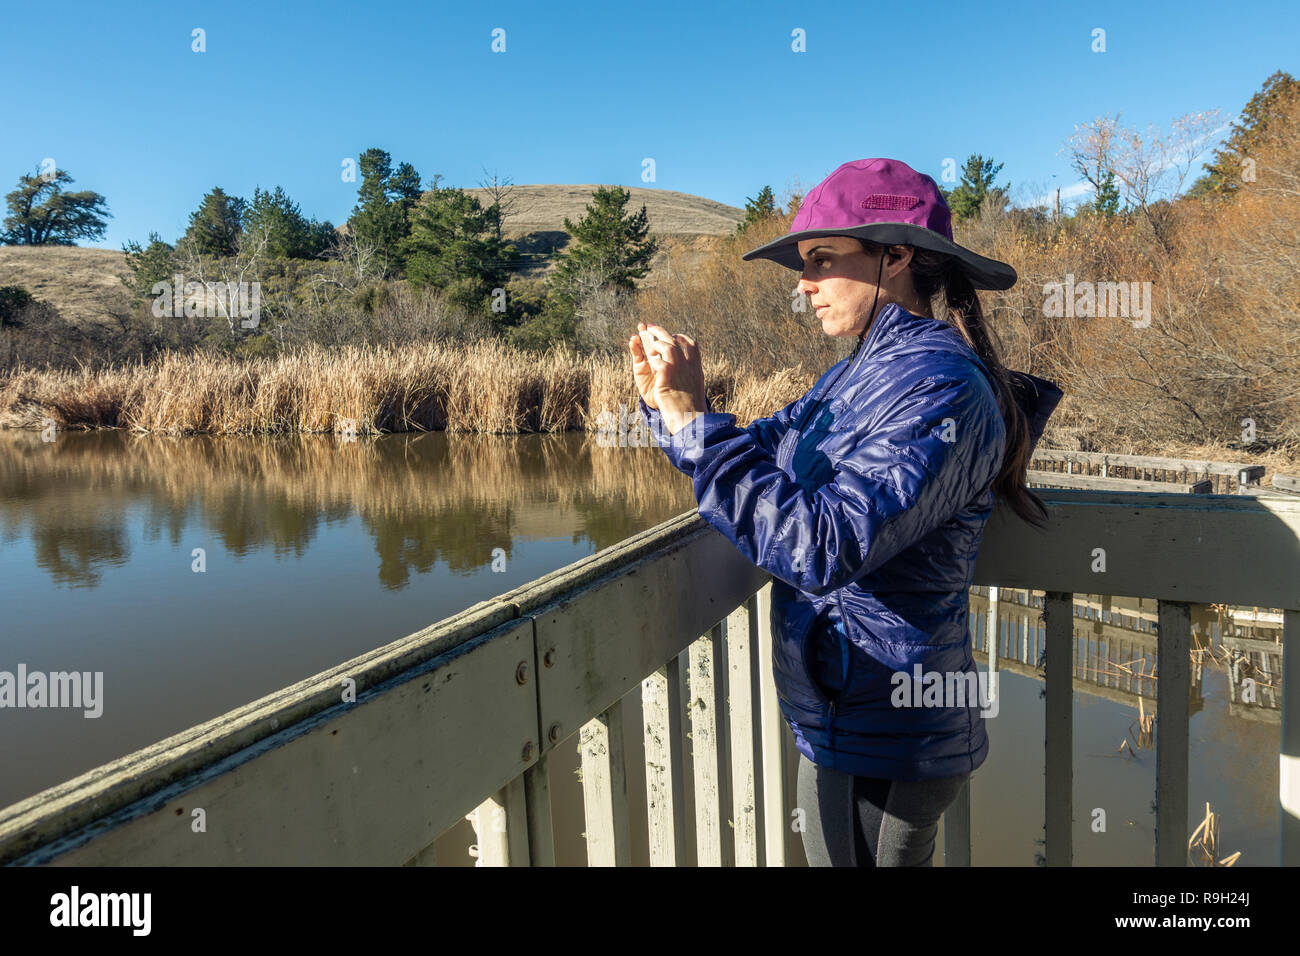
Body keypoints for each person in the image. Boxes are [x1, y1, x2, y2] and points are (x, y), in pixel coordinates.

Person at [628, 158, 1063, 867]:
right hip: (851, 711)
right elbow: (760, 452)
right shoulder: (860, 374)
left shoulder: (942, 390)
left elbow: (820, 545)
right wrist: (678, 410)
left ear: (896, 256)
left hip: (891, 727)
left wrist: (694, 427)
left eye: (822, 261)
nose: (804, 285)